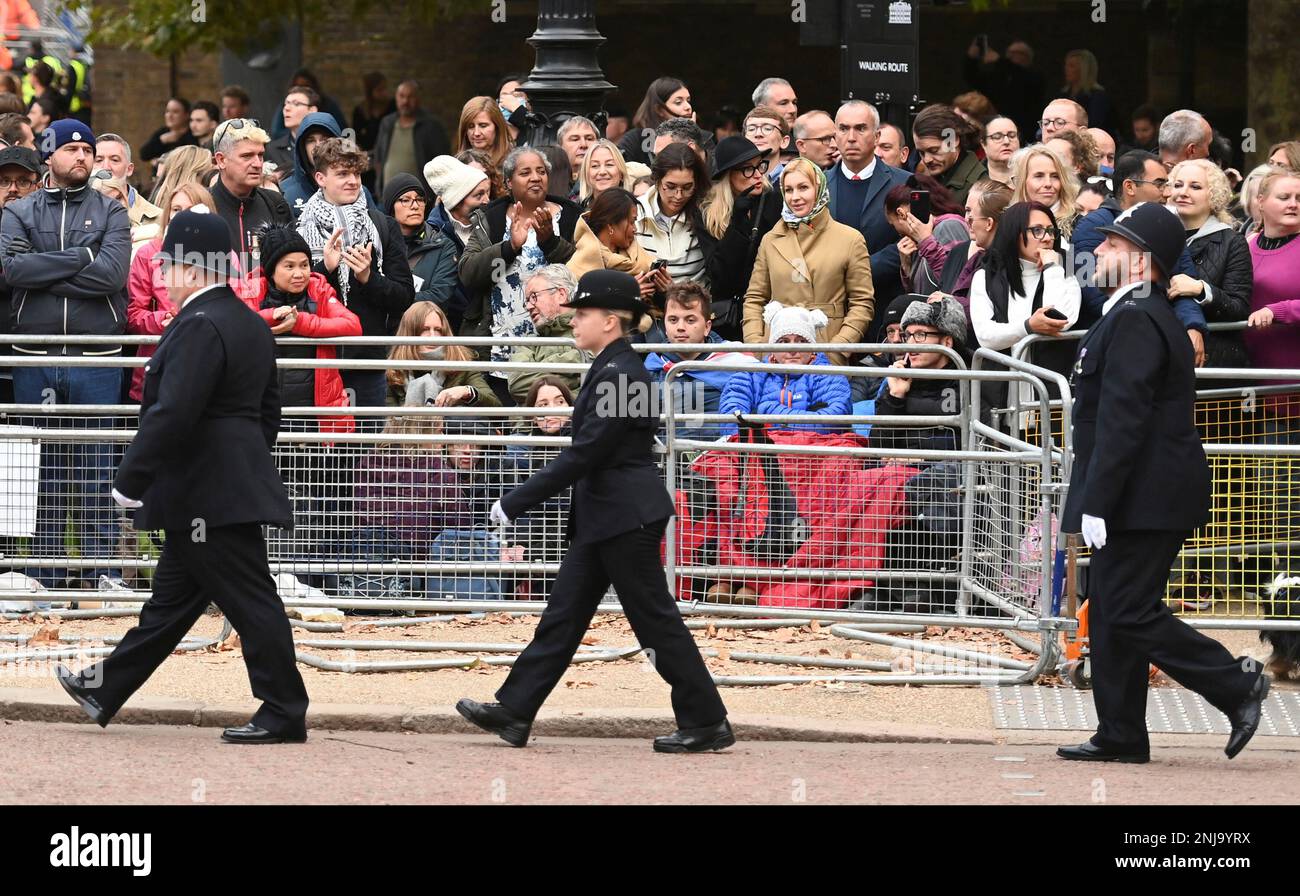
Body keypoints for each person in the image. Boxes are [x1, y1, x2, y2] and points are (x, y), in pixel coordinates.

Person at [55, 208, 311, 745]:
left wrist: (131, 478)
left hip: (205, 492)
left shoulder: (198, 325)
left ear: (193, 270)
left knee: (252, 601)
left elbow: (174, 411)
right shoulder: (246, 320)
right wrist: (241, 465)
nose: (160, 277)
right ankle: (102, 688)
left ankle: (284, 710)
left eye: (167, 267)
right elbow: (267, 416)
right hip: (222, 488)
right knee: (170, 606)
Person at [457, 269, 733, 753]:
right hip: (608, 518)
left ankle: (707, 719)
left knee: (655, 622)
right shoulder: (614, 368)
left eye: (581, 314)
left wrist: (515, 500)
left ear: (610, 321)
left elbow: (585, 453)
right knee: (563, 616)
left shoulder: (623, 373)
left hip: (624, 519)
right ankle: (516, 709)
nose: (574, 323)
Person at [1057, 200, 1269, 764]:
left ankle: (1236, 682)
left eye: (1111, 244)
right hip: (1137, 491)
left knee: (1126, 609)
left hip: (1143, 494)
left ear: (1140, 259)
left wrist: (1098, 501)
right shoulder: (1132, 312)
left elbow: (1124, 419)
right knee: (1110, 610)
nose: (1097, 251)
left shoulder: (1136, 317)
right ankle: (1121, 732)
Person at [3, 121, 130, 590]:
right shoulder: (19, 211)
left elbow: (112, 276)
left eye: (88, 150)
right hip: (33, 357)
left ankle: (102, 575)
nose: (82, 156)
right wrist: (80, 257)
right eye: (72, 148)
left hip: (96, 355)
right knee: (43, 477)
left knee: (97, 469)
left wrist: (46, 271)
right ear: (49, 155)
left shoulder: (112, 212)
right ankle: (45, 576)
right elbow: (14, 270)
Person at [296, 137, 414, 423]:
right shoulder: (298, 229)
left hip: (367, 359)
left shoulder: (383, 225)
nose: (352, 181)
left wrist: (367, 277)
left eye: (357, 173)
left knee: (364, 452)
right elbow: (291, 297)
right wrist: (324, 268)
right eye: (342, 173)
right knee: (319, 455)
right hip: (317, 359)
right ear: (320, 177)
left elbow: (404, 297)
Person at [459, 147, 582, 402]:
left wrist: (550, 242)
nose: (535, 178)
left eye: (541, 172)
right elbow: (468, 273)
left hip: (557, 351)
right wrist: (509, 247)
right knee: (506, 432)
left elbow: (582, 274)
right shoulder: (489, 219)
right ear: (508, 182)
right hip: (499, 353)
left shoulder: (571, 217)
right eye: (525, 173)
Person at [1071, 149, 1210, 349]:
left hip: (1158, 335)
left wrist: (1192, 326)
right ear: (1130, 187)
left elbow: (1184, 281)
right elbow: (1094, 294)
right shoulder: (1092, 226)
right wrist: (1154, 313)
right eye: (1159, 184)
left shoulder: (1166, 224)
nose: (1168, 192)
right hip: (1114, 341)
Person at [750, 157, 875, 363]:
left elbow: (862, 303)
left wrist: (838, 348)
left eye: (803, 188)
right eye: (788, 190)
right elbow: (755, 298)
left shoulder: (850, 239)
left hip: (824, 346)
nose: (795, 197)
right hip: (777, 349)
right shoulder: (770, 239)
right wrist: (758, 347)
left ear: (819, 188)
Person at [242, 223, 362, 433]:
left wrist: (301, 323)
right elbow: (235, 323)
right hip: (260, 412)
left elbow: (352, 325)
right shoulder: (251, 290)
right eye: (289, 266)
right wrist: (272, 317)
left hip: (312, 415)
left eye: (304, 265)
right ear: (271, 269)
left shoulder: (320, 289)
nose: (299, 273)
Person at [126, 181, 214, 402]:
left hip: (208, 367)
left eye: (190, 209)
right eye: (176, 209)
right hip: (159, 367)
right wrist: (161, 320)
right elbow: (132, 314)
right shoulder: (148, 254)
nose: (181, 216)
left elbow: (237, 307)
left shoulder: (225, 254)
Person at [827, 100, 910, 325]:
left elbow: (911, 239)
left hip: (886, 307)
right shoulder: (818, 184)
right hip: (831, 308)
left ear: (876, 136)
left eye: (861, 128)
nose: (851, 137)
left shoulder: (904, 183)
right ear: (834, 136)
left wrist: (858, 271)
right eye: (844, 129)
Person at [1167, 159, 1253, 371]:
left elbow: (1239, 308)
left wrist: (1201, 289)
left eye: (1195, 187)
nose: (1183, 192)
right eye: (1178, 185)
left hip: (1213, 359)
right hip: (1163, 356)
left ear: (1213, 194)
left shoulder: (1232, 241)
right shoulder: (1156, 233)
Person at [645, 281, 755, 440]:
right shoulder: (652, 366)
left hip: (721, 459)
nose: (680, 327)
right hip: (667, 460)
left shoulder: (737, 362)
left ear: (707, 326)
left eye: (690, 320)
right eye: (673, 320)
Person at [721, 301, 851, 434]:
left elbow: (833, 424)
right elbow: (730, 427)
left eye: (801, 341)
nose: (792, 349)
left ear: (812, 347)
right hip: (763, 454)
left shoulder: (831, 376)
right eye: (783, 342)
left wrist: (767, 413)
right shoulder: (747, 377)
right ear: (772, 347)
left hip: (813, 454)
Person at [697, 136, 781, 341]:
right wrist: (737, 223)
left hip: (770, 307)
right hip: (729, 316)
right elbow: (719, 275)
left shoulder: (775, 201)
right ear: (728, 175)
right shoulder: (707, 213)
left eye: (759, 166)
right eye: (747, 169)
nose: (757, 175)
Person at [970, 201, 1081, 355]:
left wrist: (1052, 268)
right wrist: (1027, 326)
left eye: (1050, 231)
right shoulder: (986, 276)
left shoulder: (1064, 269)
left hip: (1048, 375)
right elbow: (985, 336)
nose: (1047, 238)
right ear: (1014, 233)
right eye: (1037, 230)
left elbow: (1060, 319)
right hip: (1004, 376)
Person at [498, 376, 575, 599]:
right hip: (541, 545)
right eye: (542, 405)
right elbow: (524, 510)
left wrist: (528, 548)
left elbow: (570, 514)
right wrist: (516, 544)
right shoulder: (525, 454)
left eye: (560, 402)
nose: (552, 410)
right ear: (532, 416)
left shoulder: (582, 447)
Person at [873, 296, 970, 454]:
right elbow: (876, 450)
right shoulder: (897, 381)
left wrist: (921, 459)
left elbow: (971, 446)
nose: (910, 344)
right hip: (897, 472)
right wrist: (895, 397)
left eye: (920, 335)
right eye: (908, 335)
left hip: (944, 474)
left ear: (947, 342)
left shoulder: (970, 383)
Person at [208, 118, 292, 267]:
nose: (258, 164)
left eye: (260, 155)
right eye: (247, 156)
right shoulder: (200, 206)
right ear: (221, 160)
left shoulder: (276, 204)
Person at [386, 300, 500, 408]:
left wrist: (467, 392)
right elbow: (383, 421)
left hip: (451, 428)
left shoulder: (462, 362)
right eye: (424, 329)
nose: (432, 336)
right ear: (410, 333)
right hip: (407, 428)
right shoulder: (394, 369)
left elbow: (497, 408)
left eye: (438, 330)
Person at [423, 154, 491, 331]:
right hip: (454, 327)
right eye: (479, 195)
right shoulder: (433, 234)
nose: (487, 201)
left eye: (487, 192)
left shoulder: (491, 221)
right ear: (457, 200)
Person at [508, 265, 590, 403]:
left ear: (561, 295)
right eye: (527, 301)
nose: (528, 307)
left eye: (534, 296)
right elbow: (517, 386)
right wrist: (575, 373)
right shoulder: (528, 344)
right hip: (532, 424)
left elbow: (596, 382)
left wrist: (540, 374)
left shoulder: (592, 331)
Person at [382, 173, 458, 315]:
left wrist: (394, 299)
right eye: (405, 200)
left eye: (420, 199)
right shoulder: (378, 243)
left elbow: (439, 295)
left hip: (424, 330)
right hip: (384, 331)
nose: (415, 206)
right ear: (391, 207)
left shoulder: (443, 246)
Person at [635, 142, 709, 284]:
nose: (679, 195)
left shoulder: (706, 214)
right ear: (656, 180)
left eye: (687, 187)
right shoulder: (635, 212)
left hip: (696, 302)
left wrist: (673, 291)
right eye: (670, 187)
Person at [886, 173, 969, 296]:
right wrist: (907, 266)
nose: (898, 233)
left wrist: (926, 242)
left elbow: (956, 281)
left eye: (893, 224)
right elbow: (919, 292)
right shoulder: (923, 238)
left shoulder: (949, 226)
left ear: (901, 213)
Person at [962, 37, 1045, 147]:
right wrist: (971, 59)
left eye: (1017, 53)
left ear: (1027, 57)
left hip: (1024, 132)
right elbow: (973, 79)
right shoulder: (1000, 77)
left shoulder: (1035, 77)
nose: (1011, 56)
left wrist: (1000, 61)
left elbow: (1022, 80)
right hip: (995, 129)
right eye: (1009, 52)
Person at [568, 187, 656, 288]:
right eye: (631, 222)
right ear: (610, 225)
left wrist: (662, 290)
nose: (635, 229)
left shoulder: (637, 256)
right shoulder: (579, 266)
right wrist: (629, 295)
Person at [374, 81, 451, 195]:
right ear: (396, 98)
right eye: (402, 96)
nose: (405, 101)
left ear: (418, 99)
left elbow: (443, 162)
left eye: (410, 97)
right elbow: (379, 157)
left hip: (419, 199)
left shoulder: (431, 126)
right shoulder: (387, 123)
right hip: (387, 198)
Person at [911, 104, 987, 204]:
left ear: (953, 140)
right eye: (921, 153)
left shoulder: (980, 186)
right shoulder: (923, 183)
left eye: (934, 150)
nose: (926, 159)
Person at [281, 110, 350, 217]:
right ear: (302, 147)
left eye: (324, 139)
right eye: (310, 140)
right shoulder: (285, 193)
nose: (318, 145)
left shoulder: (353, 188)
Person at [1009, 143, 1080, 245]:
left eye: (1055, 176)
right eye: (1039, 176)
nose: (1048, 184)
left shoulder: (1078, 225)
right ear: (1022, 182)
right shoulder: (1007, 222)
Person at [618, 76, 695, 166]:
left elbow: (711, 174)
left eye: (688, 101)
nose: (688, 107)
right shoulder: (635, 139)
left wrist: (694, 139)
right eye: (678, 102)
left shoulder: (703, 137)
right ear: (659, 109)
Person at [94, 133, 163, 230]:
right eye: (98, 160)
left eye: (114, 160)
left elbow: (178, 245)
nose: (106, 167)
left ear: (129, 169)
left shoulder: (160, 218)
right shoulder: (71, 210)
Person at [352, 72, 395, 192]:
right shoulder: (361, 111)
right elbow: (355, 137)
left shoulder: (393, 108)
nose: (384, 93)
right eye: (379, 90)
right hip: (367, 160)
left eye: (385, 89)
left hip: (387, 156)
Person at [264, 85, 318, 173]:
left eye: (296, 104)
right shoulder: (272, 150)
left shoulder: (327, 146)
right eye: (286, 104)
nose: (286, 108)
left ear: (312, 110)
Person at [1056, 49, 1111, 135]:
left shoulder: (1097, 96)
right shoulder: (1063, 95)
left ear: (1084, 70)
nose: (1066, 69)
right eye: (1066, 65)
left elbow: (1095, 125)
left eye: (1071, 66)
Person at [454, 96, 512, 176]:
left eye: (483, 126)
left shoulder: (514, 164)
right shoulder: (455, 167)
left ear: (497, 126)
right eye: (471, 127)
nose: (476, 133)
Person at [743, 105, 790, 187]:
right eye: (751, 129)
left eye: (767, 128)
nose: (758, 134)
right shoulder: (734, 181)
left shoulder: (794, 179)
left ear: (784, 141)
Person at [575, 138, 631, 207]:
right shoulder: (576, 211)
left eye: (609, 165)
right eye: (595, 166)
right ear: (586, 174)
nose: (602, 172)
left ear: (621, 174)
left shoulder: (635, 209)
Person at [139, 97, 197, 162]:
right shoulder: (162, 132)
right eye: (167, 111)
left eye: (175, 112)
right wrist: (161, 141)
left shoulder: (194, 134)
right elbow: (143, 155)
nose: (169, 116)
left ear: (187, 115)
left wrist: (161, 162)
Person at [557, 116, 600, 198]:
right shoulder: (551, 181)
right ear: (560, 146)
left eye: (589, 139)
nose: (583, 145)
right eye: (575, 139)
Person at [981, 116, 1020, 184]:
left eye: (1012, 135)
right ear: (983, 144)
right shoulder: (974, 178)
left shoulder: (1032, 171)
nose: (1006, 141)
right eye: (997, 137)